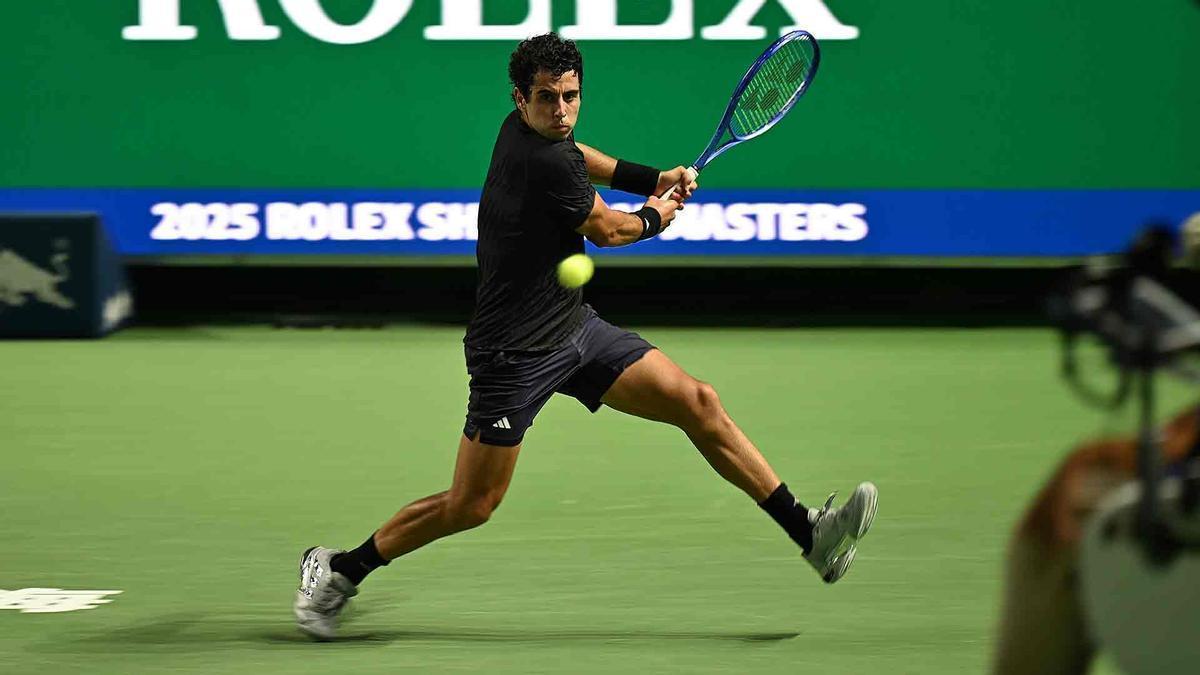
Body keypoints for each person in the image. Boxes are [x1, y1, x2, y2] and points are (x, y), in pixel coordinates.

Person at [294, 32, 878, 640]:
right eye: (547, 99)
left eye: (571, 96)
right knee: (473, 505)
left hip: (574, 329)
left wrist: (655, 175)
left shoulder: (534, 132)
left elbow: (579, 153)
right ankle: (337, 568)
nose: (562, 111)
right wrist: (658, 212)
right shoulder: (540, 161)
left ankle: (810, 532)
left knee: (697, 401)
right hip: (512, 354)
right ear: (521, 100)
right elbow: (609, 231)